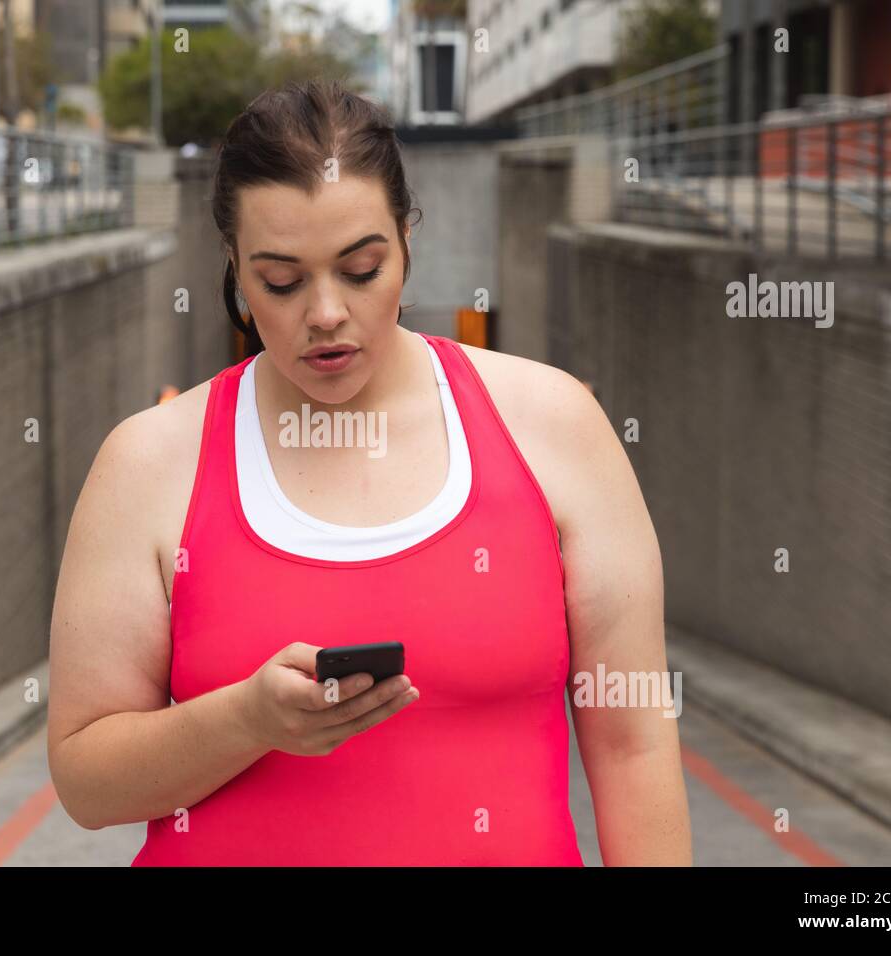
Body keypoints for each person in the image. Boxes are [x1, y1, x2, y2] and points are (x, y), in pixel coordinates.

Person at [47, 78, 692, 865]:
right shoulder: (148, 463)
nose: (324, 313)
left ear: (408, 241)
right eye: (281, 281)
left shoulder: (552, 426)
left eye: (360, 269)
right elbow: (85, 783)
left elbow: (634, 748)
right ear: (236, 269)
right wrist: (246, 722)